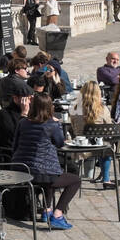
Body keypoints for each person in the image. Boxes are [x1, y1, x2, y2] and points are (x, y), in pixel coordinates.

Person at [11, 93, 79, 230]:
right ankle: (58, 214)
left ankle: (46, 211)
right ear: (49, 107)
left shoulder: (23, 122)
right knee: (74, 180)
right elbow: (60, 143)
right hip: (41, 172)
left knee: (51, 174)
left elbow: (15, 145)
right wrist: (57, 124)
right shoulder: (52, 125)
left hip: (21, 170)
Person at [75, 81, 116, 188]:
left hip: (81, 145)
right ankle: (106, 179)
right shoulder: (103, 109)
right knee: (106, 143)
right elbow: (109, 127)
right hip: (100, 146)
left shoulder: (76, 108)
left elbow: (73, 128)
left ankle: (103, 176)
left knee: (102, 142)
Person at [0, 92, 30, 162]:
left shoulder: (31, 112)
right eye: (26, 99)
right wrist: (24, 114)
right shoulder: (4, 113)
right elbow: (14, 136)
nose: (28, 102)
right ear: (15, 98)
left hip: (22, 155)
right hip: (9, 157)